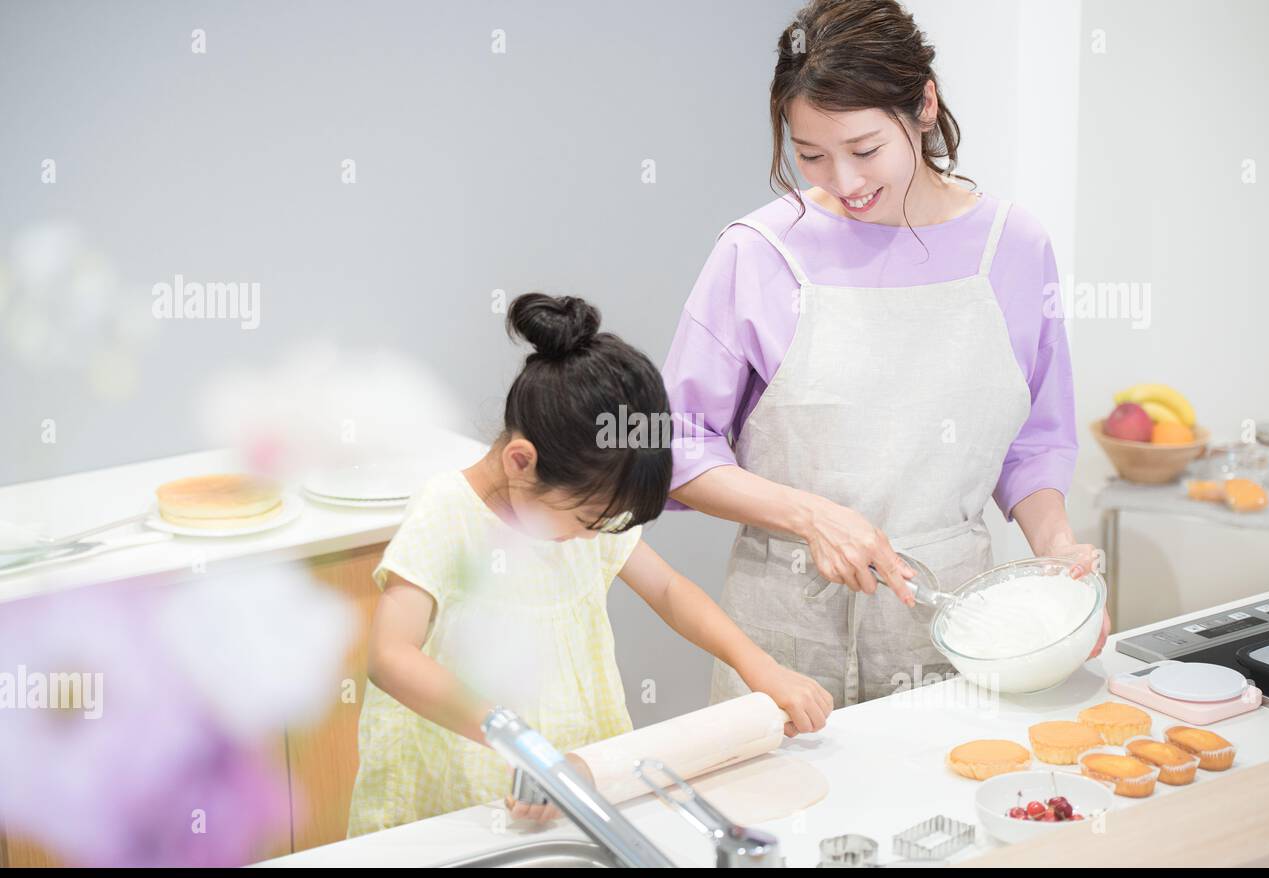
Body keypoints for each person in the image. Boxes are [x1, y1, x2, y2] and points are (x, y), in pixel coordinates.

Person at [662, 0, 1109, 709]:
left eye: (866, 150)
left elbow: (1032, 442)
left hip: (957, 628)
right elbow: (676, 447)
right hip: (787, 640)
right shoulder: (759, 253)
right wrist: (810, 517)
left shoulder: (1014, 249)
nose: (842, 181)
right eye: (810, 155)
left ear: (925, 105)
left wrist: (1054, 550)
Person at [347, 292, 832, 836]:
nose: (595, 534)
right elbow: (390, 657)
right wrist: (521, 744)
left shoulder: (586, 512)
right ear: (520, 462)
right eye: (588, 518)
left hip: (565, 776)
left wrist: (759, 668)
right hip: (458, 786)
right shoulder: (448, 514)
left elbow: (669, 591)